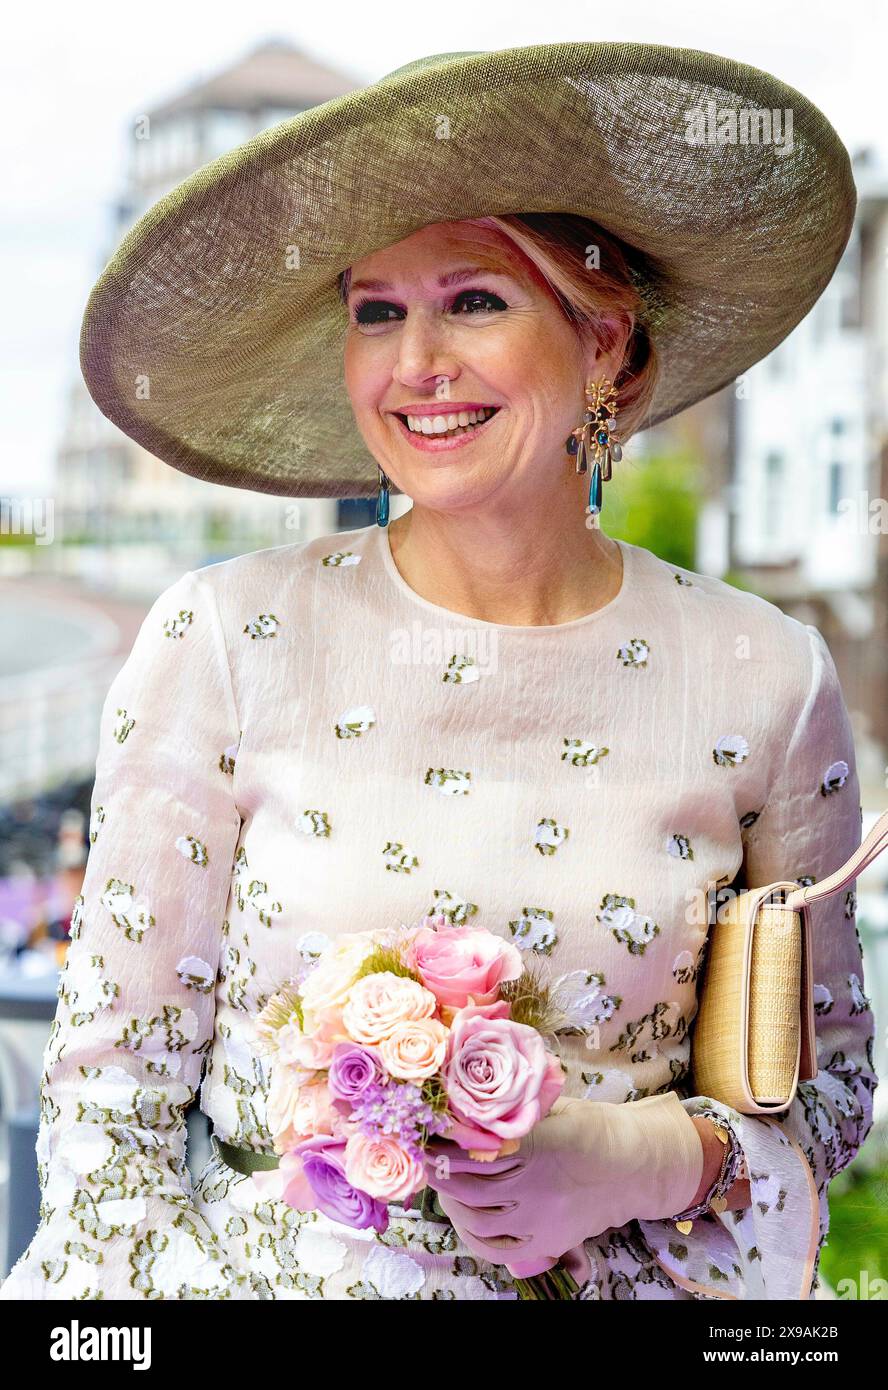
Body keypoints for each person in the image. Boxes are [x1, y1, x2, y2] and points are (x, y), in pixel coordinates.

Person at [0, 43, 876, 1300]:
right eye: (376, 311)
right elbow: (108, 1112)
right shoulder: (225, 639)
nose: (415, 363)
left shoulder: (765, 675)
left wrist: (639, 1157)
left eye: (473, 300)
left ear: (610, 350)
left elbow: (832, 1095)